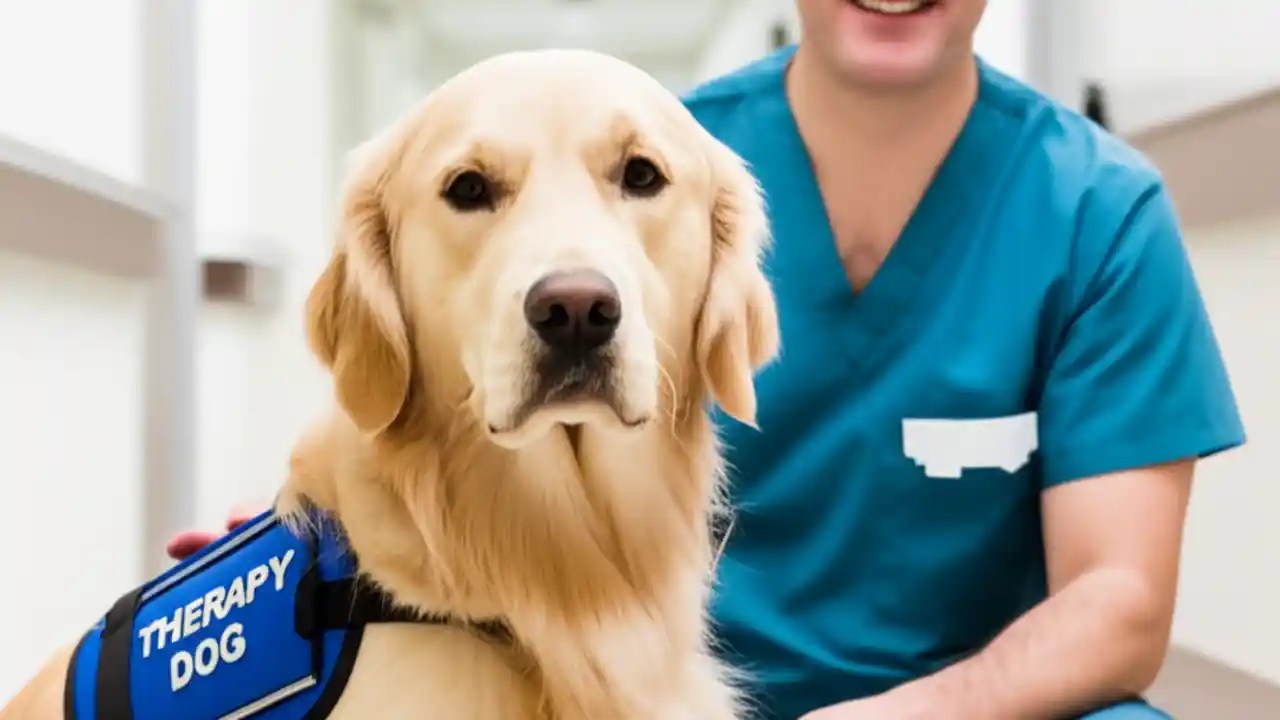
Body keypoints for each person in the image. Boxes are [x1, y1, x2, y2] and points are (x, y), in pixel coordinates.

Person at [171, 1, 1246, 718]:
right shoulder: (642, 153)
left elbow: (1119, 598)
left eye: (632, 183)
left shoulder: (1098, 214)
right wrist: (304, 560)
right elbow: (444, 453)